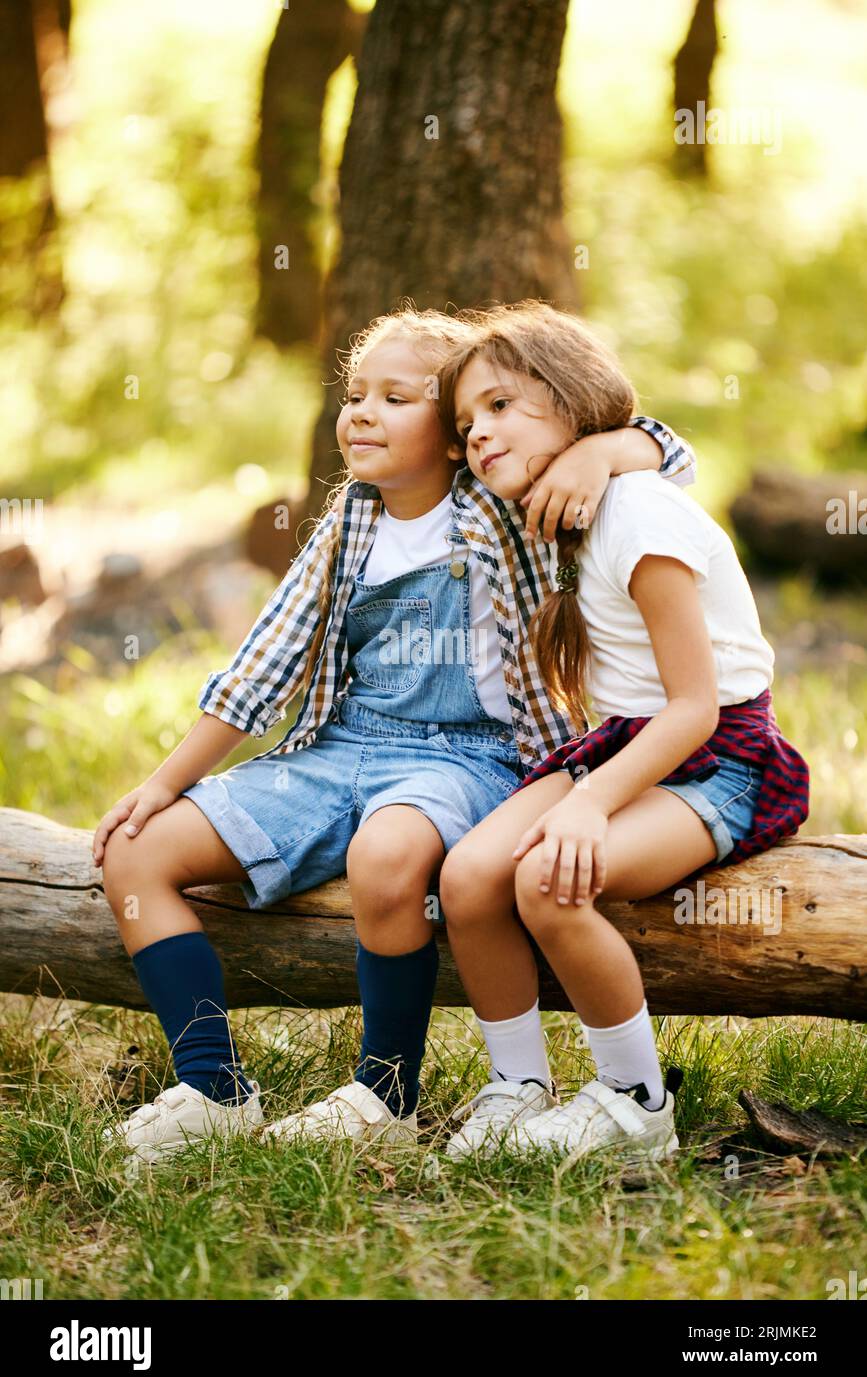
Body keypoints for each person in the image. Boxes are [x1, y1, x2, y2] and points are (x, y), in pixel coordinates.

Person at [93, 303, 696, 1167]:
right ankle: (212, 1086)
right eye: (353, 395)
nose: (361, 413)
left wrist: (605, 449)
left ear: (454, 437)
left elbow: (670, 454)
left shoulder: (499, 502)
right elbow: (265, 665)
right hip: (344, 749)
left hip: (475, 758)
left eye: (396, 399)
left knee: (385, 857)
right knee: (136, 853)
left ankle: (386, 1090)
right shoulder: (351, 521)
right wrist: (161, 784)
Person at [436, 301, 810, 1163]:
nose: (479, 435)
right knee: (468, 877)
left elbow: (695, 707)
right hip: (627, 745)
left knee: (545, 880)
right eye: (465, 423)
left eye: (499, 405)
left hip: (716, 761)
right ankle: (518, 1087)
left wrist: (585, 807)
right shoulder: (543, 511)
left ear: (569, 399)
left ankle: (636, 1102)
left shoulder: (637, 513)